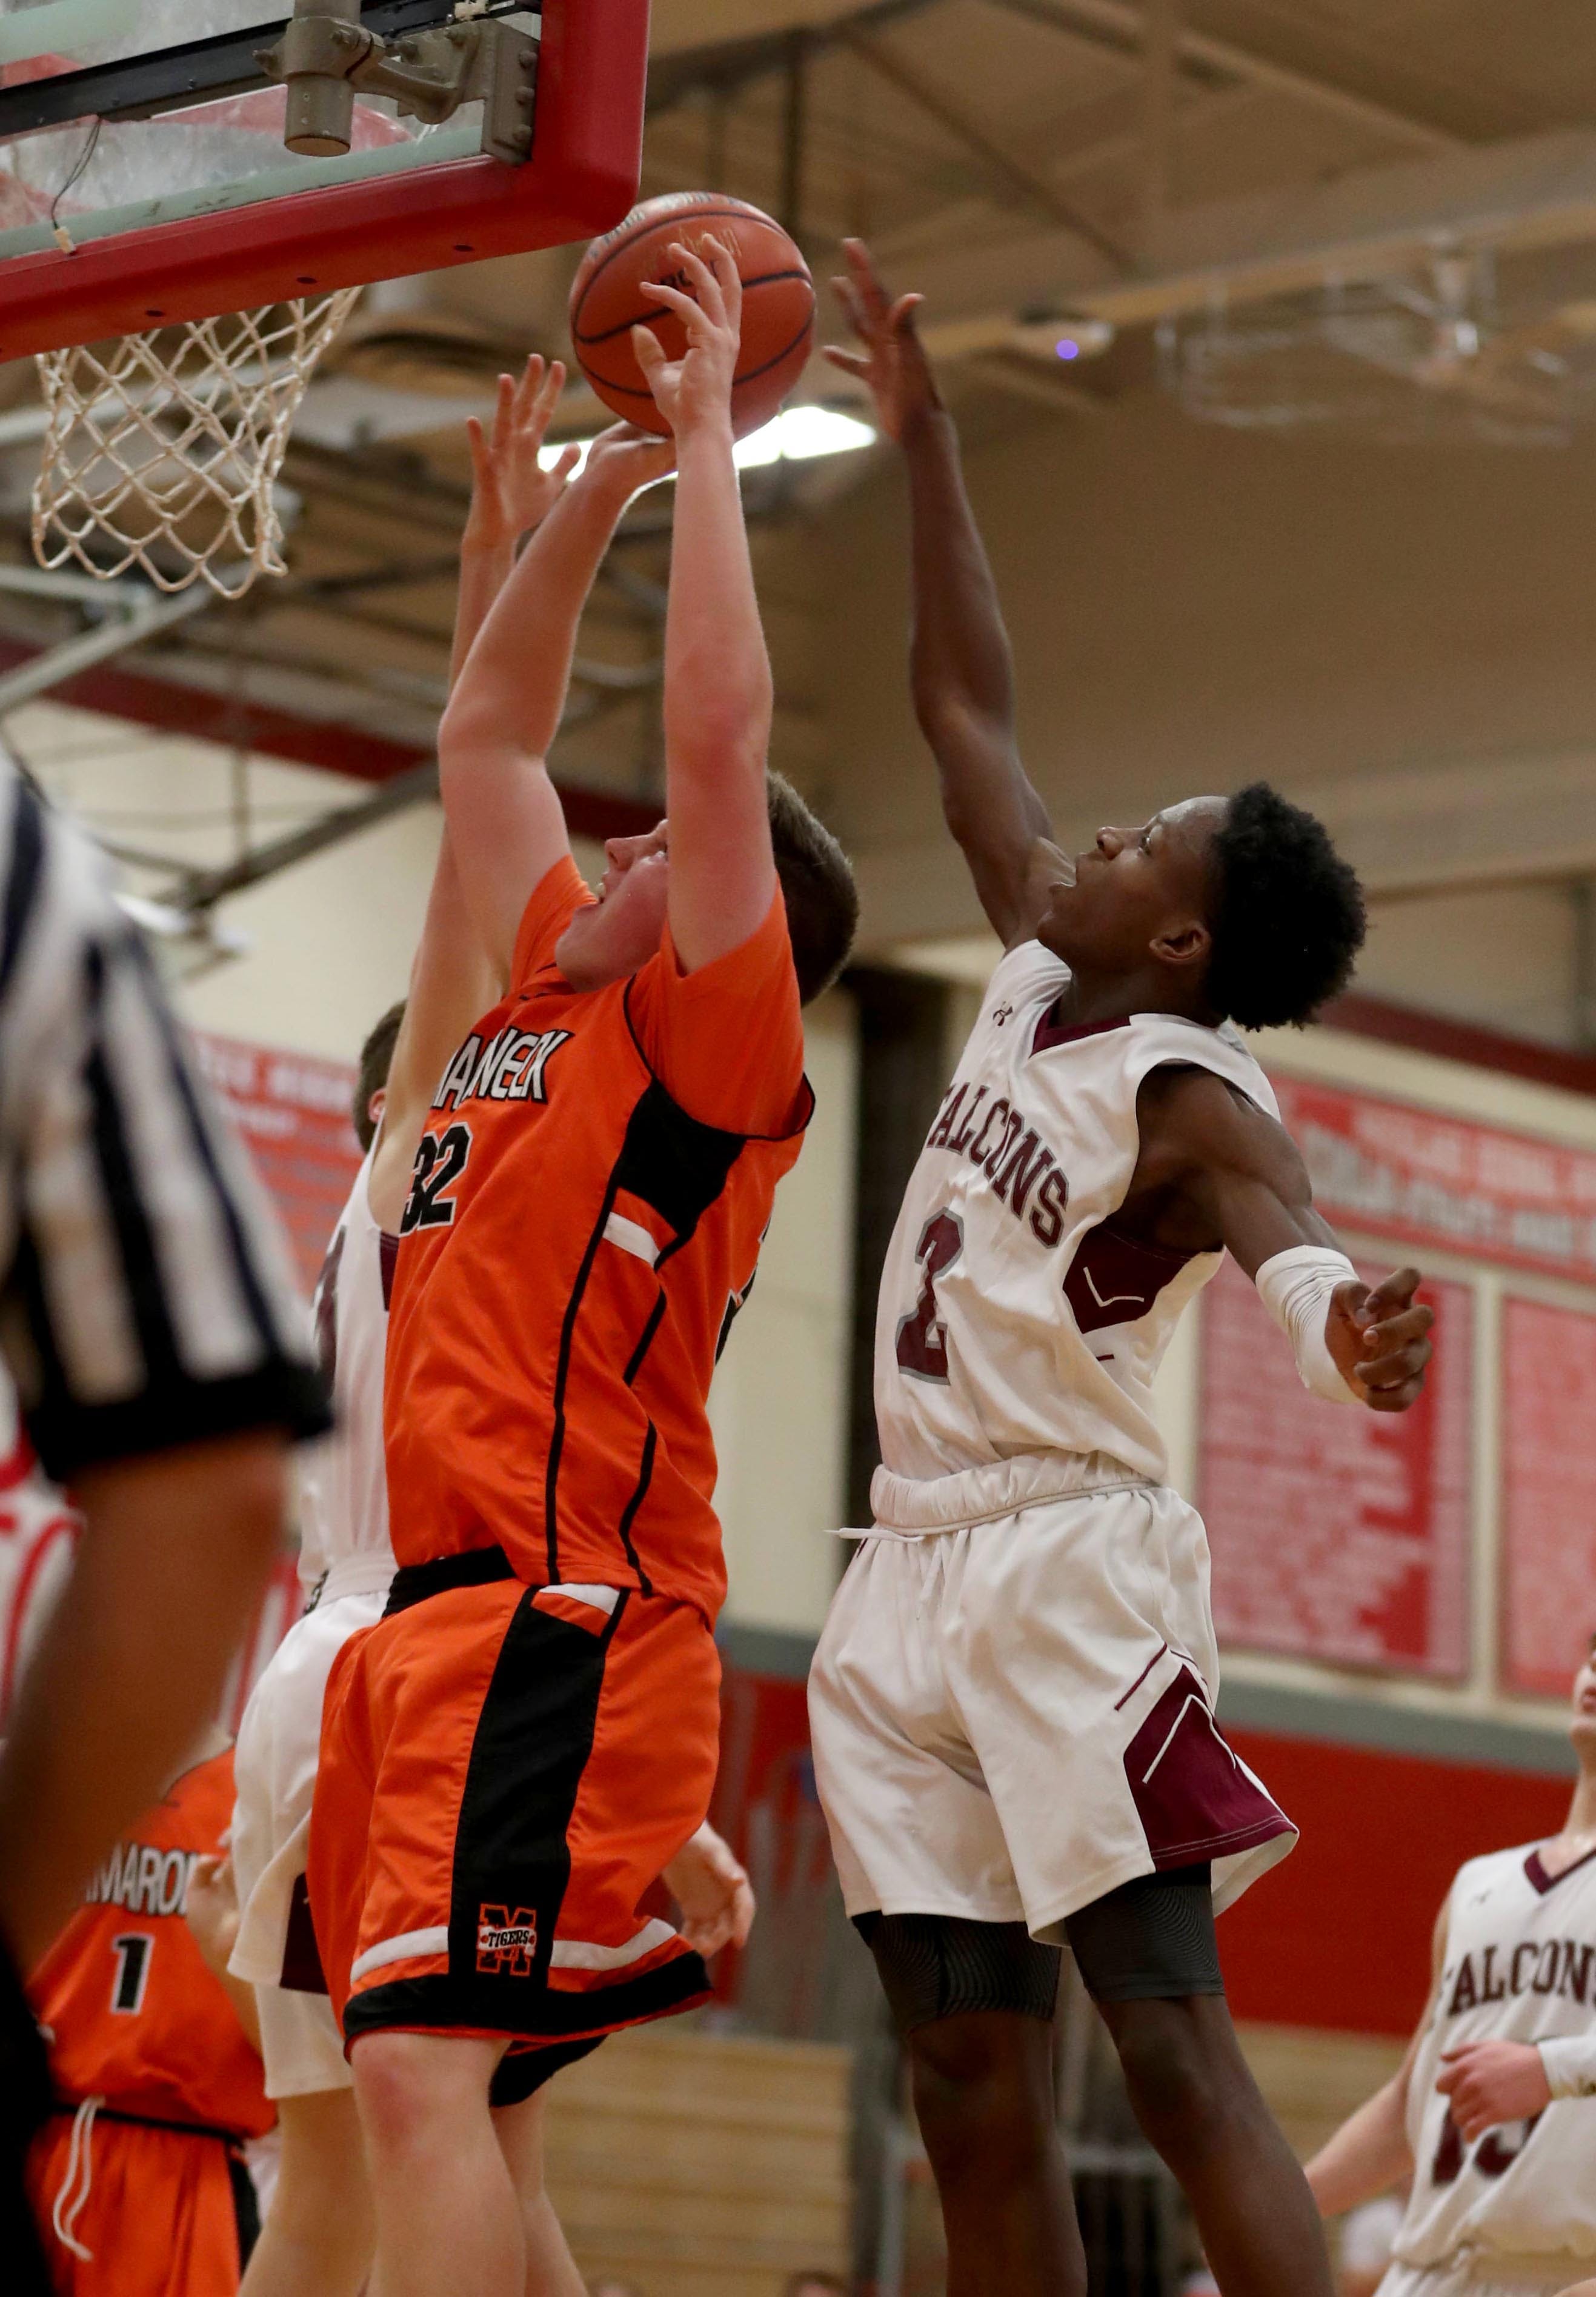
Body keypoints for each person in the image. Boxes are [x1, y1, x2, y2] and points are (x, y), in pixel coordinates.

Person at [806, 240, 1435, 2297]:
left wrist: (1344, 1325)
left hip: (1072, 1569)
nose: (1087, 847)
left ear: (1180, 941)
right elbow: (965, 704)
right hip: (900, 1567)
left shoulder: (1190, 1092)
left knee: (1167, 2059)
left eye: (1137, 849)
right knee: (964, 2092)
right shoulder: (1027, 954)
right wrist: (932, 443)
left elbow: (1285, 1242)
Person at [308, 235, 857, 2297]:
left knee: (421, 2091)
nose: (626, 845)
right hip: (433, 1627)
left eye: (662, 856)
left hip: (566, 1615)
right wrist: (601, 489)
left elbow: (718, 741)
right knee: (455, 2106)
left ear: (738, 928)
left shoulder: (709, 1040)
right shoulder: (546, 987)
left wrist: (716, 445)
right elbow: (480, 738)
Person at [226, 360, 756, 2297]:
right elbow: (477, 811)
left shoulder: (480, 1145)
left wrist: (550, 524)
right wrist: (557, 514)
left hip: (407, 1645)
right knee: (434, 2129)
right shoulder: (465, 1105)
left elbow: (516, 798)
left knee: (388, 2144)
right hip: (415, 1641)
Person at [0, 764, 328, 2291]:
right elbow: (215, 1477)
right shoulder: (28, 885)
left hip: (181, 2154)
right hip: (87, 2128)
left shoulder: (242, 1803)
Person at [1305, 1636, 1596, 2297]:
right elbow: (1412, 2104)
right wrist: (1285, 2202)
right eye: (1594, 1651)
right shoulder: (1477, 1884)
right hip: (1423, 2275)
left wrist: (1549, 2068)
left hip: (1558, 2274)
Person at [25, 1740, 273, 2295]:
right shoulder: (29, 1778)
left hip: (193, 2171)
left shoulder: (268, 1794)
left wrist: (226, 1965)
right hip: (38, 2138)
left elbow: (305, 2058)